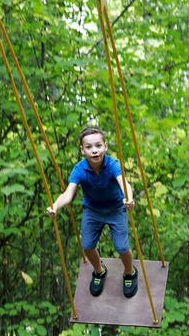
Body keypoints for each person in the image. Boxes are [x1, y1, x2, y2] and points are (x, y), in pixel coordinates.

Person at [47, 125, 138, 298]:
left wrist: (129, 198)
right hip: (93, 210)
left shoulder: (112, 164)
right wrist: (55, 206)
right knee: (87, 245)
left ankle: (129, 272)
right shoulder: (79, 169)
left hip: (115, 209)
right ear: (82, 150)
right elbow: (68, 194)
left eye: (98, 146)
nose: (94, 150)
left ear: (105, 146)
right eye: (89, 147)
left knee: (122, 246)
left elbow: (124, 183)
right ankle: (99, 270)